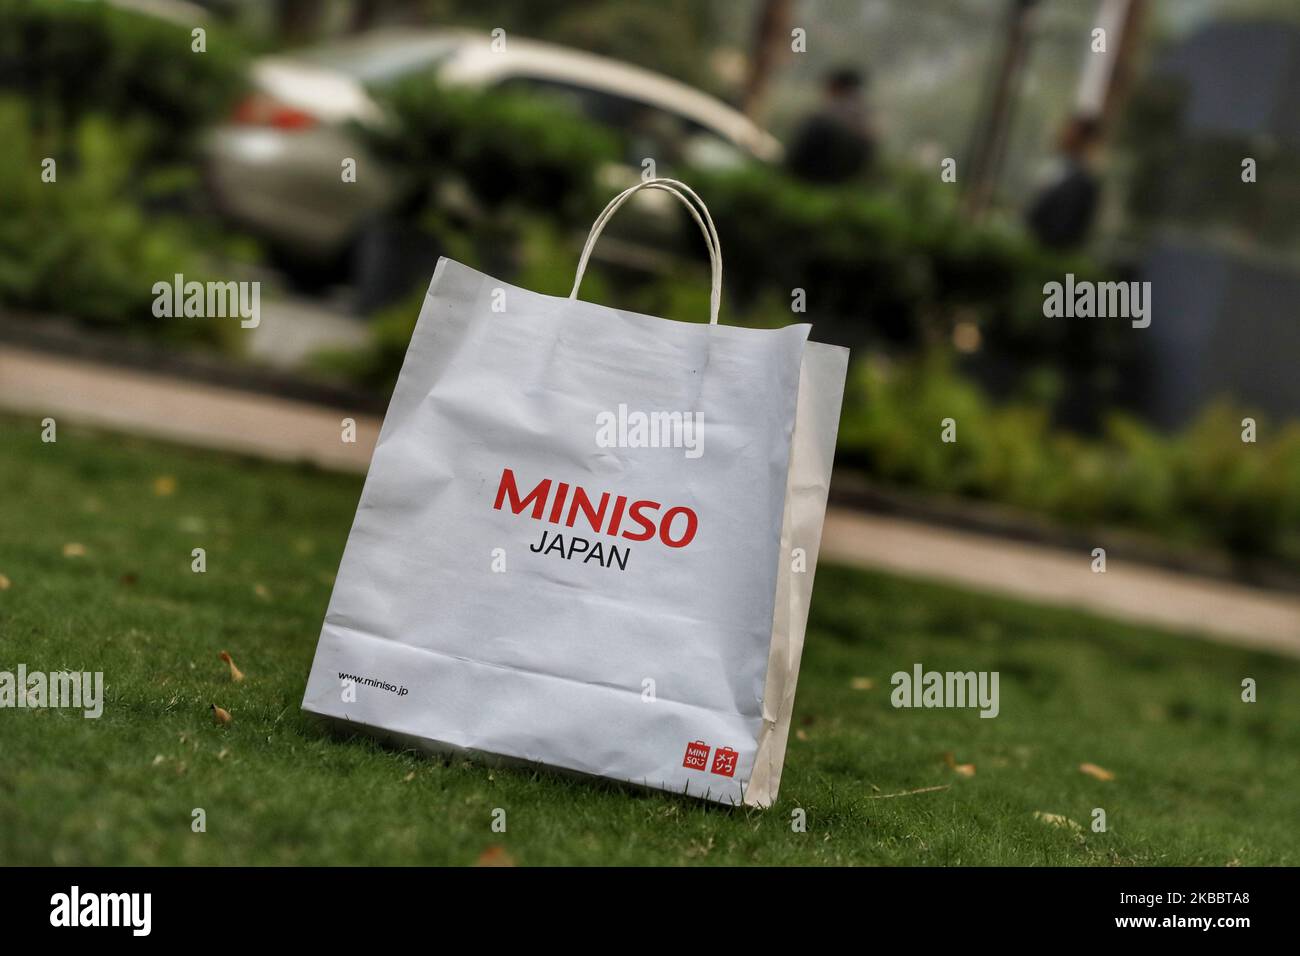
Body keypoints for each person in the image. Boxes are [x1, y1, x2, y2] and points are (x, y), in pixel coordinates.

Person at [786, 67, 876, 184]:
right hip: (845, 177)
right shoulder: (863, 111)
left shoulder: (838, 110)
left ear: (836, 86)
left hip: (819, 171)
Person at [1025, 115, 1103, 250]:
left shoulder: (1082, 183)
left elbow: (1066, 233)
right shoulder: (1058, 170)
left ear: (1084, 141)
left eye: (1071, 133)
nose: (1063, 136)